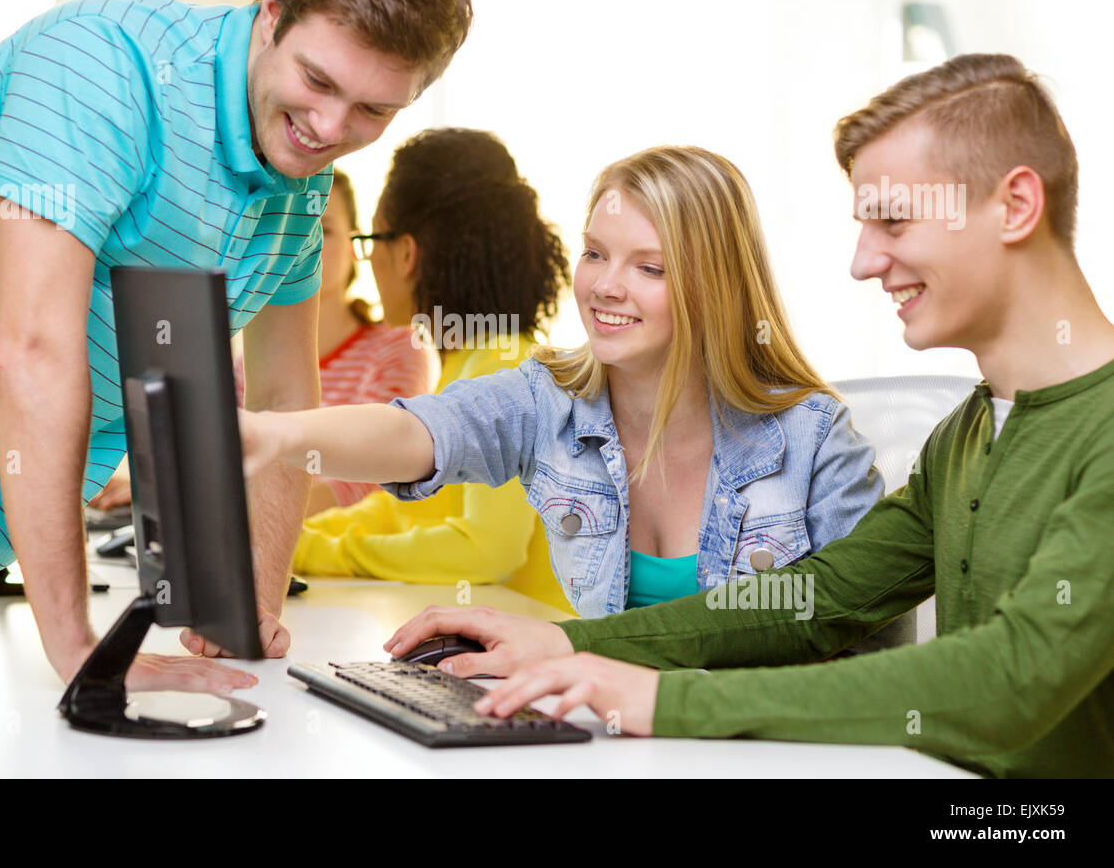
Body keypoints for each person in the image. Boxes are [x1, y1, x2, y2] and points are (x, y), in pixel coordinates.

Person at [0, 0, 474, 778]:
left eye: (371, 111)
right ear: (273, 6)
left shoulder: (296, 187)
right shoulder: (102, 69)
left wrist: (242, 611)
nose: (328, 130)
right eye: (318, 81)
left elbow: (285, 402)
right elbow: (32, 351)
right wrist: (75, 640)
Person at [386, 54, 1114, 779]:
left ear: (1016, 206)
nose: (863, 261)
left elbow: (1013, 676)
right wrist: (571, 644)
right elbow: (817, 597)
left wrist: (666, 700)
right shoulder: (969, 431)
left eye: (892, 220)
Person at [219, 145, 881, 622]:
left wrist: (582, 655)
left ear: (718, 285)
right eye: (595, 252)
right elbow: (417, 430)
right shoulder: (550, 398)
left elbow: (853, 642)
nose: (604, 286)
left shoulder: (815, 440)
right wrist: (273, 431)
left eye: (648, 266)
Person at [283, 128, 575, 612]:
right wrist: (296, 534)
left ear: (406, 253)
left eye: (371, 239)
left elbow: (487, 550)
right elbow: (404, 511)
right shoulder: (475, 361)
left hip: (534, 658)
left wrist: (323, 551)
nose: (369, 257)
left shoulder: (501, 367)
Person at [87, 169, 440, 516]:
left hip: (337, 556)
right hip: (262, 528)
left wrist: (214, 504)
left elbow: (376, 480)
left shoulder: (398, 349)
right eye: (301, 231)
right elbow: (211, 459)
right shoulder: (250, 363)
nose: (308, 243)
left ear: (353, 249)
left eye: (325, 230)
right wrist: (157, 489)